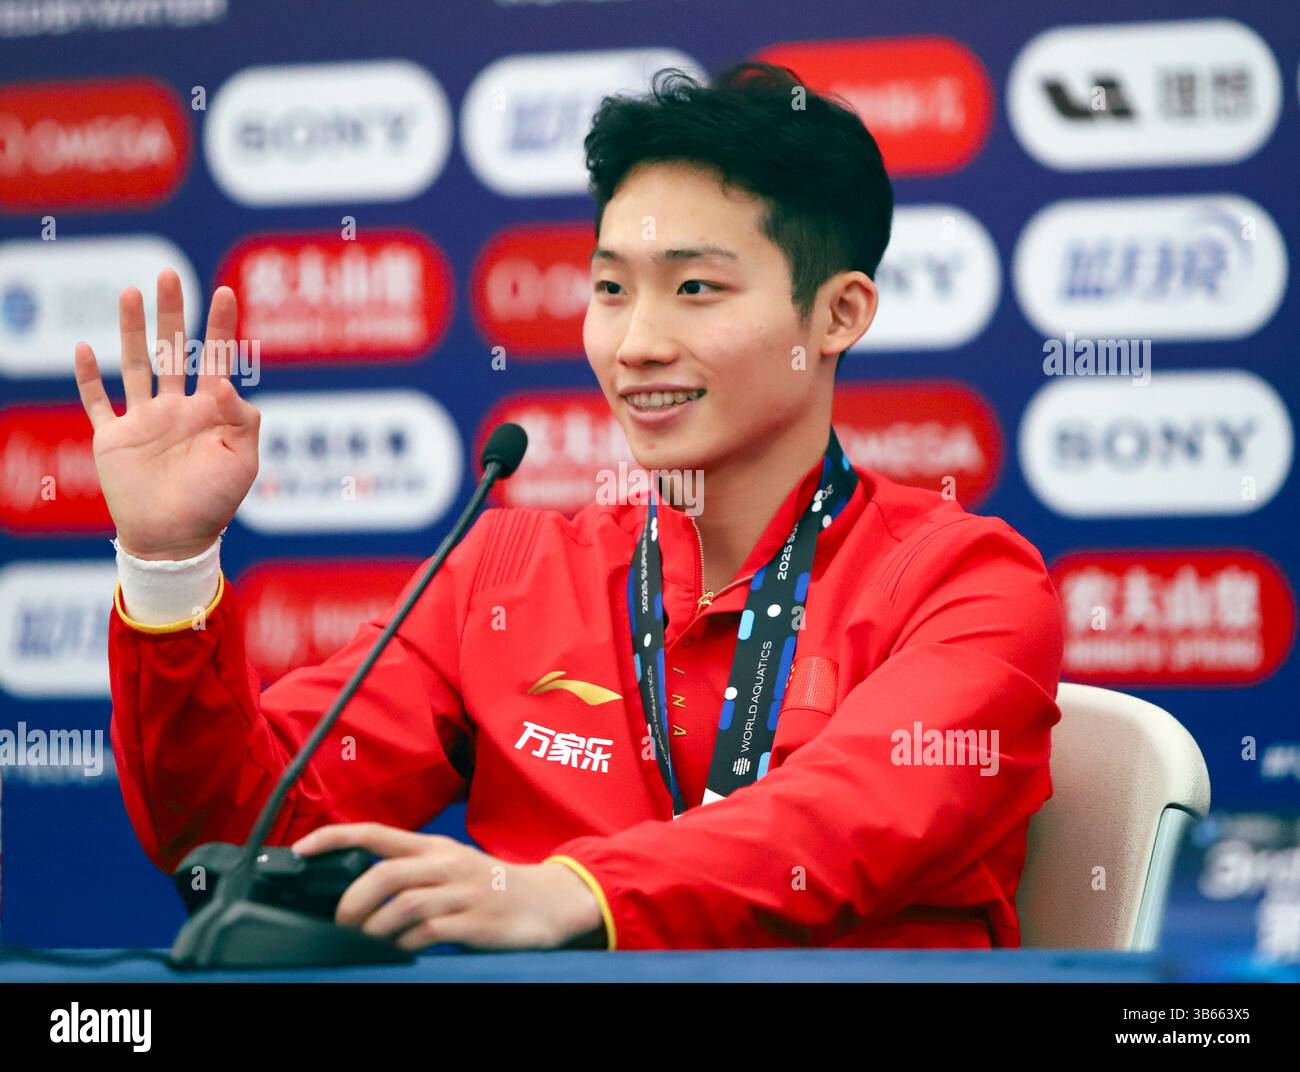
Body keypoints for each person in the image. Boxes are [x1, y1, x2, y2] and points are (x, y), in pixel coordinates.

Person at [74, 63, 1064, 952]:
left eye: (694, 288)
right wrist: (168, 564)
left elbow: (846, 819)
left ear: (838, 314)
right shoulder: (502, 577)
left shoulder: (966, 581)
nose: (635, 342)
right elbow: (240, 828)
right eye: (608, 287)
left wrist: (575, 890)